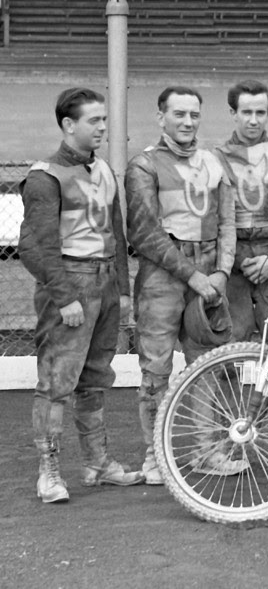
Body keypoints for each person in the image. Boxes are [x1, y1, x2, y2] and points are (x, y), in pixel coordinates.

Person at [19, 87, 144, 503]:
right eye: (95, 121)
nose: (104, 128)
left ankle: (97, 464)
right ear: (69, 125)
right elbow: (35, 246)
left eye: (105, 120)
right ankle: (49, 471)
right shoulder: (44, 177)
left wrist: (123, 292)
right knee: (56, 382)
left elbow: (117, 231)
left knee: (94, 379)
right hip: (70, 283)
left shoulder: (105, 169)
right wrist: (64, 296)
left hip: (106, 281)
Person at [126, 86, 240, 485]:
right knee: (156, 370)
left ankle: (205, 450)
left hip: (210, 274)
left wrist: (222, 272)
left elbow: (228, 222)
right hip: (163, 276)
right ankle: (155, 455)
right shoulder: (144, 164)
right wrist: (191, 275)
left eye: (194, 114)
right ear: (161, 117)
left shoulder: (214, 161)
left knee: (205, 364)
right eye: (178, 114)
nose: (188, 122)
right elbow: (143, 232)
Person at [214, 80, 268, 342]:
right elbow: (213, 220)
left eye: (260, 113)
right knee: (230, 340)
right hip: (231, 261)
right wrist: (236, 260)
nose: (253, 120)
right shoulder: (215, 159)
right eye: (246, 112)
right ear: (232, 113)